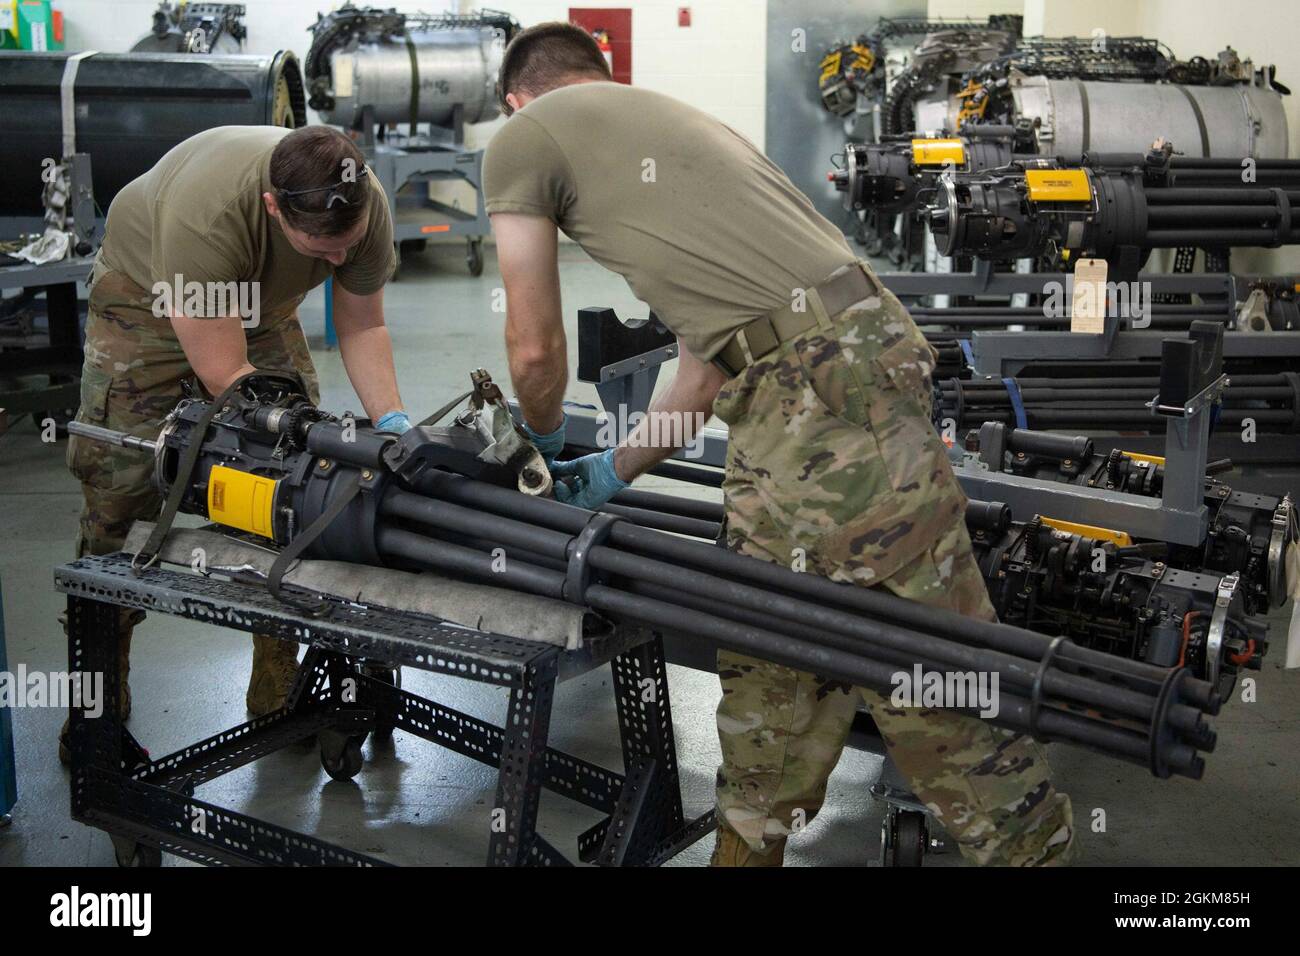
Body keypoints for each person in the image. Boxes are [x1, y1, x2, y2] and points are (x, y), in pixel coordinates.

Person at [482, 22, 1074, 866]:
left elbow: (534, 348)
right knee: (777, 642)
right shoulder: (680, 126)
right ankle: (747, 848)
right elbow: (705, 367)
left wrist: (537, 444)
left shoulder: (522, 138)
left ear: (518, 99)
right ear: (603, 75)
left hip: (819, 391)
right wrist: (613, 469)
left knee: (922, 667)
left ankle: (1031, 855)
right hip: (825, 368)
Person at [61, 124, 413, 761]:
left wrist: (391, 425)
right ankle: (97, 699)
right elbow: (225, 377)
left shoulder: (364, 202)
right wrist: (287, 421)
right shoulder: (208, 213)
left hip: (262, 308)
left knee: (289, 487)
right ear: (274, 207)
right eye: (320, 248)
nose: (336, 262)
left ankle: (277, 691)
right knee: (121, 487)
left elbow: (362, 325)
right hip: (148, 300)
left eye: (347, 246)